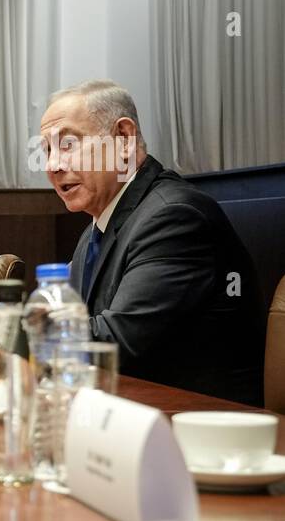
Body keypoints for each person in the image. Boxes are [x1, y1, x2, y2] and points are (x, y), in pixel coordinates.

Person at [40, 79, 264, 406]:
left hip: (199, 431)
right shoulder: (94, 230)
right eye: (46, 150)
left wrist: (13, 331)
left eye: (68, 144)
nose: (52, 165)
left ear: (125, 139)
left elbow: (114, 344)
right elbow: (75, 324)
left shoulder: (174, 217)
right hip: (127, 418)